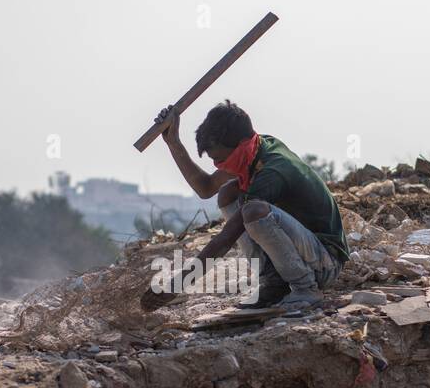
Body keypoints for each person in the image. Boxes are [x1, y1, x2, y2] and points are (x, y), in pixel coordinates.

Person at [141, 100, 348, 312]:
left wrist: (177, 284)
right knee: (227, 195)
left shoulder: (272, 171)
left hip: (325, 263)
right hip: (307, 251)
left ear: (239, 146)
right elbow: (205, 188)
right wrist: (174, 143)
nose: (218, 167)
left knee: (253, 211)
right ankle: (274, 283)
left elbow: (226, 238)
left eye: (220, 159)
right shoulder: (254, 148)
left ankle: (305, 289)